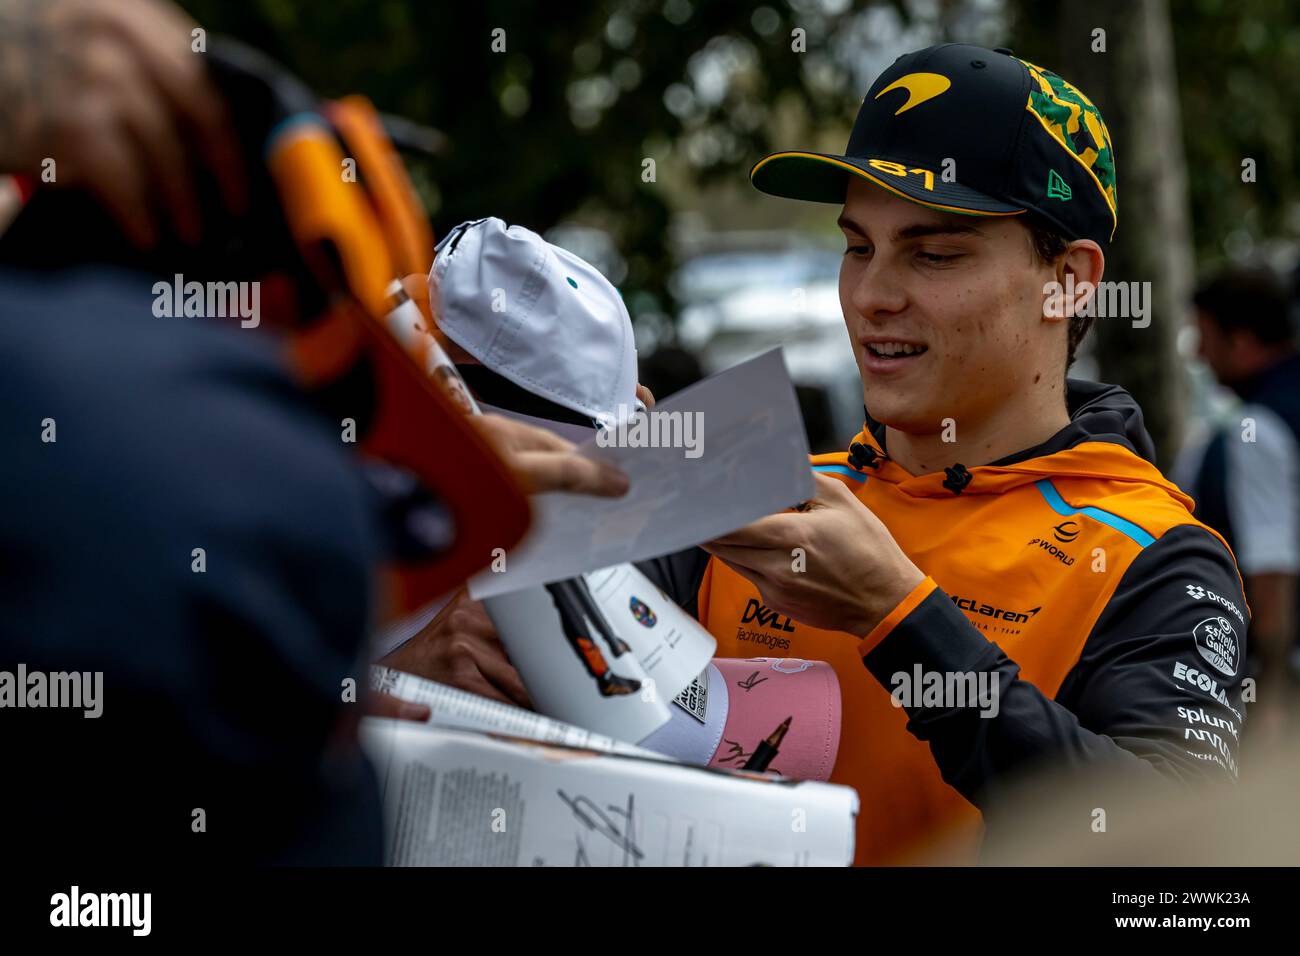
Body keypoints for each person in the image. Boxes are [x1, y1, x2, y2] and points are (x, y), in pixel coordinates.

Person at [636, 44, 1250, 864]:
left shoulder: (1151, 559)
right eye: (859, 247)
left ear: (1068, 280)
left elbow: (1180, 874)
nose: (873, 296)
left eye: (934, 254)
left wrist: (900, 620)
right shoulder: (762, 492)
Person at [1184, 266, 1299, 743]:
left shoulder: (1256, 431)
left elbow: (1272, 579)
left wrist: (1269, 701)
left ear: (1243, 341)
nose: (1197, 352)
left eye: (1205, 336)